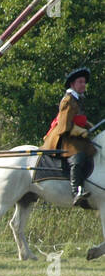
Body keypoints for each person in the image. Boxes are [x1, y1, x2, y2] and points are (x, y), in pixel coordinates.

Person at [42, 67, 95, 209]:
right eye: (80, 82)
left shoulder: (78, 99)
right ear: (72, 84)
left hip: (75, 136)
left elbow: (78, 118)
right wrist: (79, 130)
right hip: (65, 138)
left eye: (84, 82)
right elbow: (64, 125)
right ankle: (76, 191)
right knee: (77, 157)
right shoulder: (68, 100)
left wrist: (89, 126)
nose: (83, 85)